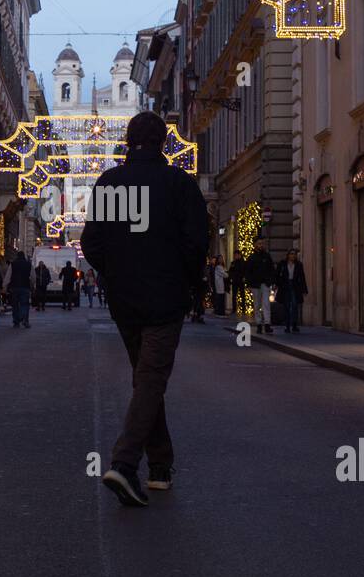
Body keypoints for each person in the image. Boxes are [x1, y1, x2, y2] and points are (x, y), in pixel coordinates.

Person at [83, 111, 208, 507]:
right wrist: (187, 280)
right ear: (163, 143)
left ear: (128, 142)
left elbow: (92, 244)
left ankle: (159, 468)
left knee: (146, 378)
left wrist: (116, 273)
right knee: (150, 379)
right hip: (166, 299)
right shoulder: (179, 185)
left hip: (125, 301)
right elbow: (196, 244)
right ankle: (124, 463)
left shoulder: (109, 183)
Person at [245, 238, 277, 334]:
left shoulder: (267, 257)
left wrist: (272, 281)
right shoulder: (251, 258)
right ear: (255, 245)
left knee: (266, 304)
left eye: (262, 243)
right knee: (257, 305)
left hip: (265, 284)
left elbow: (272, 269)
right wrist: (249, 284)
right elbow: (248, 272)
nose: (261, 245)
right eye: (259, 243)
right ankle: (259, 324)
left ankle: (267, 324)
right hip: (255, 285)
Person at [275, 249, 309, 333]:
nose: (293, 256)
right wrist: (276, 285)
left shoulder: (298, 265)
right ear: (288, 255)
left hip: (295, 286)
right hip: (285, 286)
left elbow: (302, 277)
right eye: (291, 254)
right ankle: (287, 325)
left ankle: (294, 325)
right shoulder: (282, 264)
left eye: (294, 254)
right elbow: (277, 275)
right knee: (286, 306)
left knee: (294, 305)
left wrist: (304, 289)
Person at [8, 250, 32, 328]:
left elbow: (8, 276)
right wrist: (33, 284)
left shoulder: (13, 264)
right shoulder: (28, 264)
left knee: (15, 305)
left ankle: (16, 321)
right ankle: (24, 319)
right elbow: (33, 276)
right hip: (25, 286)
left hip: (14, 287)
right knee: (24, 304)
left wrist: (5, 286)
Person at [228, 254, 246, 321]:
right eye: (235, 255)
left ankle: (243, 308)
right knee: (234, 295)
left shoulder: (243, 263)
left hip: (241, 281)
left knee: (242, 295)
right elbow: (230, 271)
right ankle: (234, 309)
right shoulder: (233, 263)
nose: (236, 256)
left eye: (237, 255)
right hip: (235, 281)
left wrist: (244, 277)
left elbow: (245, 271)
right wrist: (232, 277)